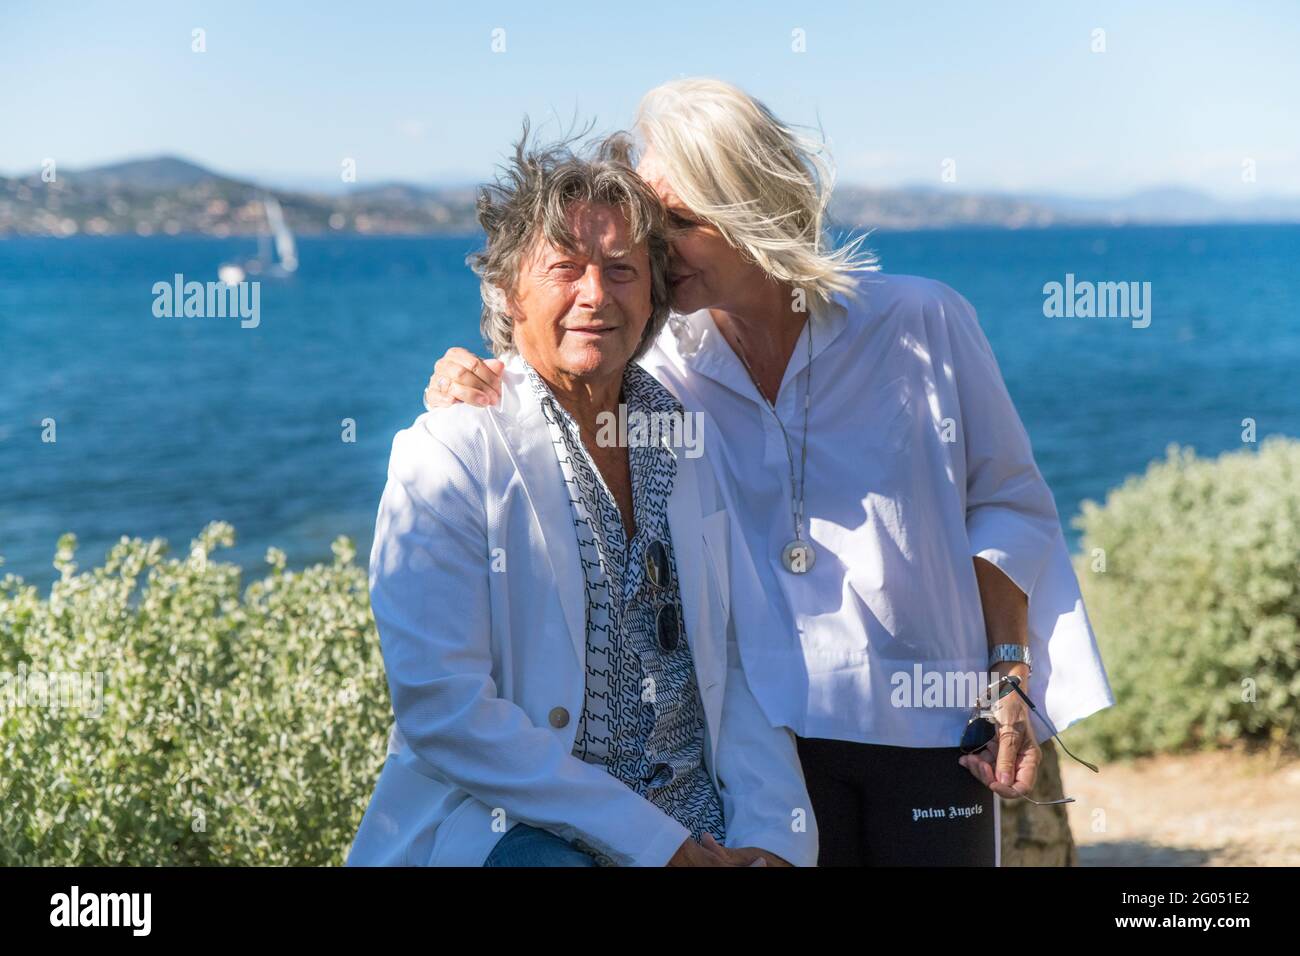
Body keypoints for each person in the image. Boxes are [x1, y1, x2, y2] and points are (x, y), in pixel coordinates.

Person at [422, 79, 1114, 866]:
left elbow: (1006, 506)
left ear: (754, 211)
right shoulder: (665, 363)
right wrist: (469, 378)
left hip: (932, 729)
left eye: (677, 223)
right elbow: (560, 365)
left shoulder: (921, 322)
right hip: (766, 755)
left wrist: (1008, 680)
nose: (655, 252)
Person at [347, 129, 818, 868]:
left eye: (622, 269)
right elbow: (446, 711)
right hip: (526, 833)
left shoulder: (684, 439)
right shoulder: (449, 454)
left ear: (655, 293)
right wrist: (659, 849)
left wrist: (773, 837)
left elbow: (740, 662)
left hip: (702, 822)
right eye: (565, 267)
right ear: (509, 291)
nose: (595, 295)